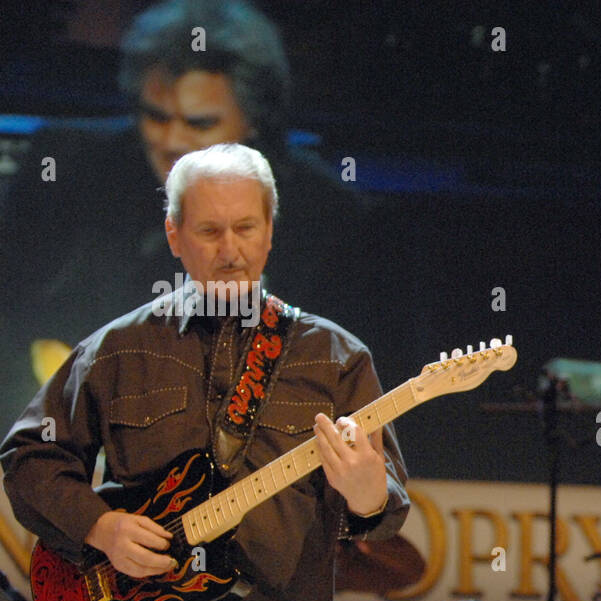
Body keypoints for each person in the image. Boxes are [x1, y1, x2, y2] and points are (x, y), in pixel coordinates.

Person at [0, 142, 409, 601]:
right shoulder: (118, 350)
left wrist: (367, 491)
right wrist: (100, 526)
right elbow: (29, 458)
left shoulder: (336, 358)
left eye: (246, 229)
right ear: (173, 236)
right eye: (210, 231)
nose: (230, 251)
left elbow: (387, 506)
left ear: (271, 230)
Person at [0, 0, 371, 429]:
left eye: (200, 123)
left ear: (253, 120)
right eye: (156, 117)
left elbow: (335, 379)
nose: (174, 140)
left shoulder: (327, 211)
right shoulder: (67, 166)